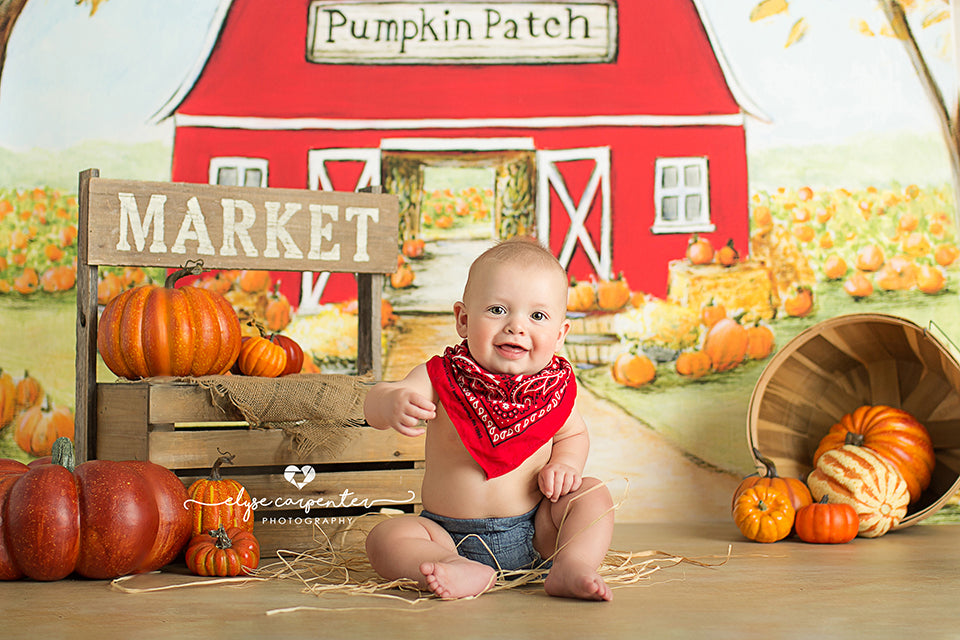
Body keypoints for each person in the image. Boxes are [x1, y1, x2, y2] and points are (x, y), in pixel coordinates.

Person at [363, 237, 614, 601]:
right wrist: (391, 401)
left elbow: (572, 435)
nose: (516, 326)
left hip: (536, 531)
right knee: (385, 538)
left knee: (592, 493)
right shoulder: (442, 377)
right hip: (445, 535)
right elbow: (376, 403)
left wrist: (565, 465)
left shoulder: (552, 392)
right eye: (497, 310)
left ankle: (572, 564)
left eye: (537, 316)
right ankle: (455, 567)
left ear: (560, 335)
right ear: (463, 320)